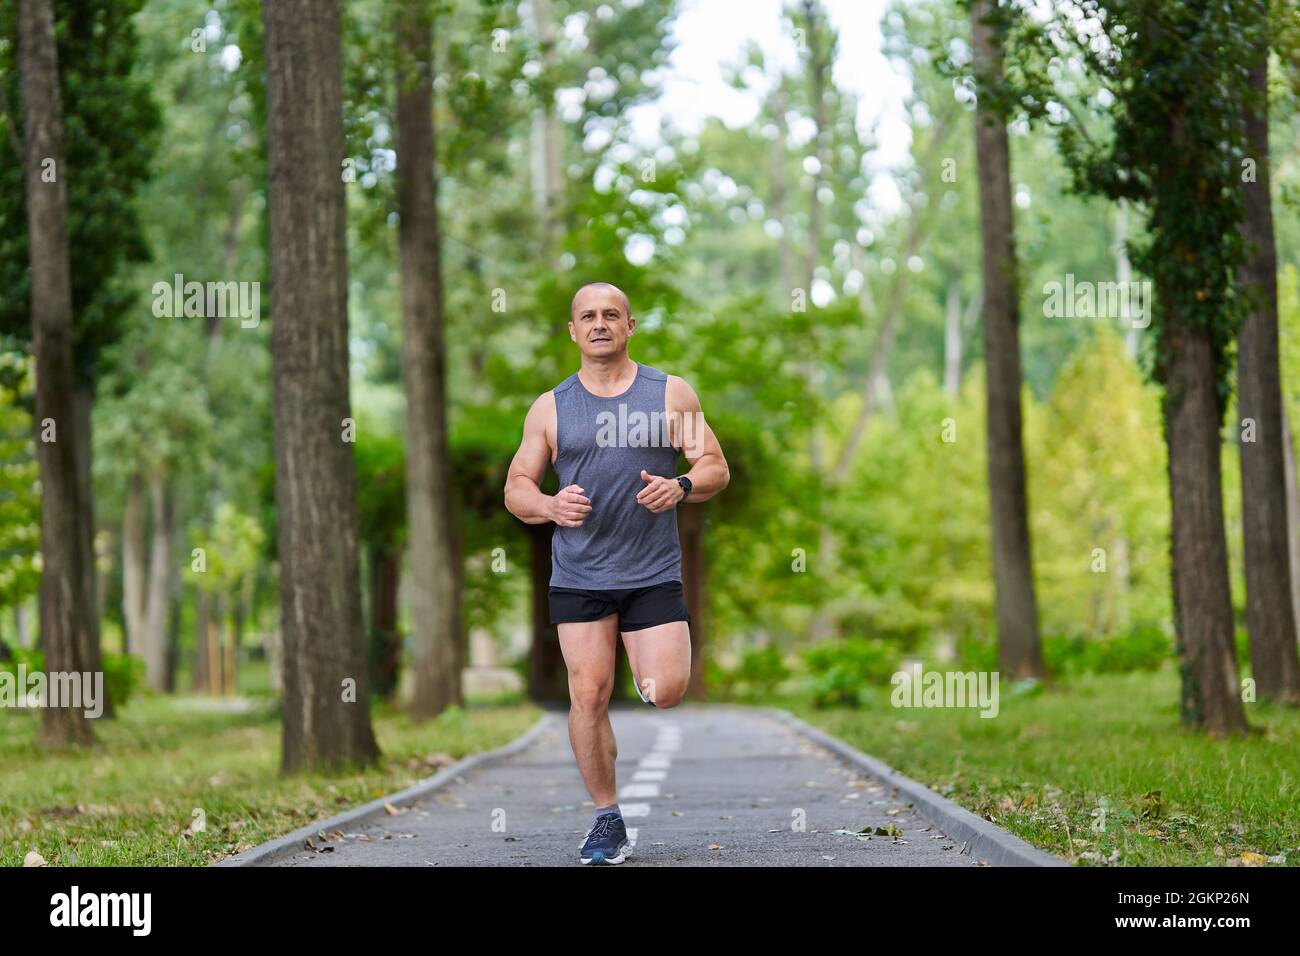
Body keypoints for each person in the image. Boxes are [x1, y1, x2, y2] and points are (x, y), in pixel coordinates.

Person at [504, 281, 729, 864]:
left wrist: (680, 485)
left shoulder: (668, 393)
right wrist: (551, 506)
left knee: (666, 690)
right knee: (588, 693)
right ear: (574, 332)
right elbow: (516, 488)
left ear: (630, 326)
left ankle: (638, 666)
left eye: (611, 314)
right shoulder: (551, 407)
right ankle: (607, 818)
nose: (600, 323)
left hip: (651, 570)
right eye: (588, 316)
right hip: (579, 573)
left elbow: (713, 466)